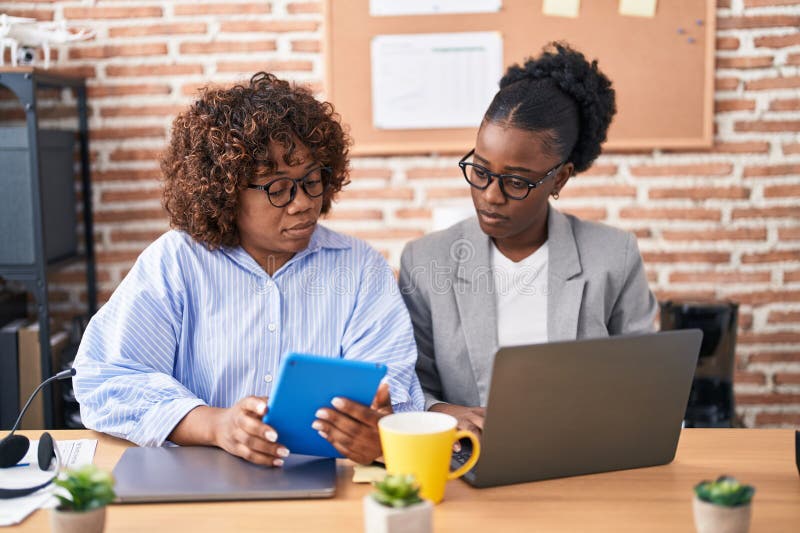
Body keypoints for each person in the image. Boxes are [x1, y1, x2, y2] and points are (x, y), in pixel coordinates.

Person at [73, 72, 424, 466]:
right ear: (223, 192)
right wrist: (214, 425)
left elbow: (394, 393)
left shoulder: (360, 268)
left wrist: (377, 432)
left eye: (312, 180)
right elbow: (106, 381)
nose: (303, 203)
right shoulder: (176, 262)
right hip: (198, 477)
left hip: (328, 480)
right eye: (278, 188)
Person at [398, 43, 658, 437]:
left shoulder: (612, 256)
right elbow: (409, 379)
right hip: (472, 461)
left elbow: (646, 380)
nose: (490, 195)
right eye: (480, 171)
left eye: (516, 182)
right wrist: (445, 411)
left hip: (583, 453)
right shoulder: (425, 260)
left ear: (560, 178)